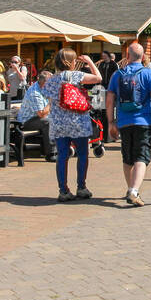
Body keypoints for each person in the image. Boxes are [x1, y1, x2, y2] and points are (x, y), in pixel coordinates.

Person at [106, 41, 151, 207]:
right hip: (143, 121)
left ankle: (130, 188)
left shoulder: (117, 75)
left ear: (127, 56)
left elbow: (110, 100)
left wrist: (111, 122)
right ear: (144, 56)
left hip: (124, 122)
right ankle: (133, 191)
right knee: (142, 156)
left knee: (127, 157)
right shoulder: (148, 73)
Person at [41, 48, 102, 202]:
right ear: (72, 62)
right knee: (82, 154)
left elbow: (48, 97)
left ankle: (63, 190)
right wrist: (89, 61)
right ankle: (81, 187)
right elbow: (98, 78)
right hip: (78, 122)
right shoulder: (76, 75)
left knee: (62, 156)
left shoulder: (51, 80)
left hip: (59, 123)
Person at [14, 76, 52, 159]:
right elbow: (41, 114)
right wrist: (51, 101)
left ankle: (67, 148)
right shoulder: (35, 93)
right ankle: (51, 153)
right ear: (45, 83)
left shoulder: (43, 88)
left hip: (36, 118)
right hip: (25, 122)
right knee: (48, 122)